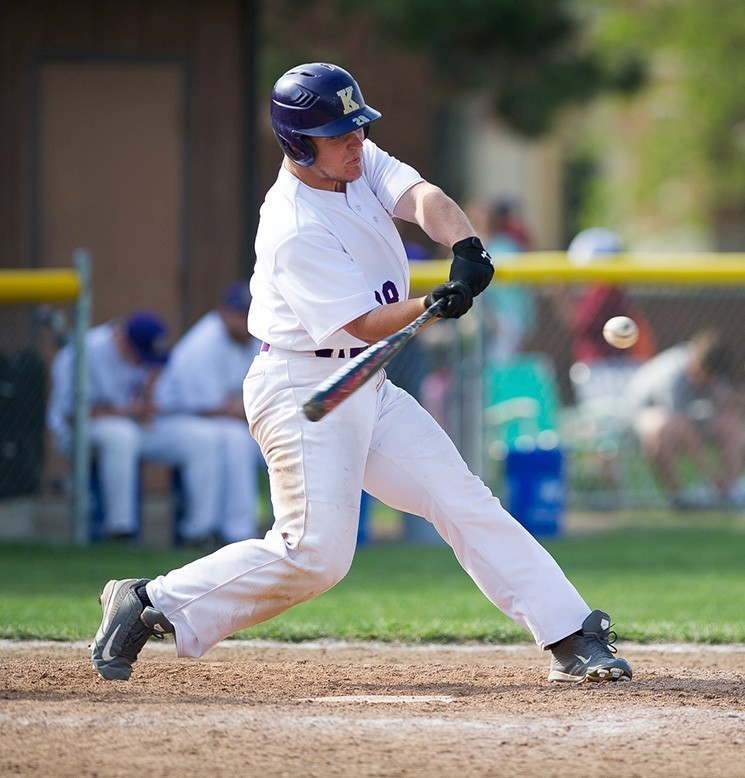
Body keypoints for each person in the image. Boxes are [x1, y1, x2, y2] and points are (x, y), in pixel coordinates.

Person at [90, 62, 632, 685]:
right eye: (337, 133)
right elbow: (366, 324)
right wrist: (435, 302)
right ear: (298, 144)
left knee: (461, 498)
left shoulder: (355, 160)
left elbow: (422, 196)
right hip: (305, 387)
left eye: (356, 129)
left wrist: (466, 248)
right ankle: (151, 601)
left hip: (365, 382)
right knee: (316, 556)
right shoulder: (293, 226)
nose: (355, 141)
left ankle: (570, 633)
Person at [47, 311, 221, 541]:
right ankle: (120, 529)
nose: (144, 363)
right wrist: (128, 411)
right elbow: (70, 415)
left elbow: (148, 405)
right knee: (121, 434)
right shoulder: (85, 350)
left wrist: (149, 392)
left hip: (131, 427)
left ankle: (198, 532)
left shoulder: (144, 360)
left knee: (202, 437)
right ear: (124, 343)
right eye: (142, 356)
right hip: (80, 433)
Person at [153, 282, 265, 544]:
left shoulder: (253, 338)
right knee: (220, 439)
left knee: (235, 438)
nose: (246, 321)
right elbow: (211, 407)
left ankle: (238, 531)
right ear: (224, 312)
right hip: (173, 417)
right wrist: (246, 407)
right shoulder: (204, 343)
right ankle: (199, 529)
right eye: (241, 314)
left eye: (251, 313)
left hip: (223, 420)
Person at [625, 328, 745, 509]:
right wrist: (710, 472)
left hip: (686, 419)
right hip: (638, 423)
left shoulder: (711, 367)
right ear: (697, 367)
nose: (711, 382)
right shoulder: (673, 374)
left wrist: (733, 399)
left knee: (729, 423)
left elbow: (724, 405)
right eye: (708, 377)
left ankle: (729, 490)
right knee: (665, 426)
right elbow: (681, 425)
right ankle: (679, 498)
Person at [553, 227, 655, 402]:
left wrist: (561, 294)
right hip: (609, 366)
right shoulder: (606, 288)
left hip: (605, 368)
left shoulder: (604, 289)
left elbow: (579, 324)